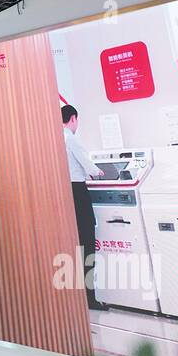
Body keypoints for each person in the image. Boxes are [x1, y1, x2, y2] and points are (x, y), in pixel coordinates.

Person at [62, 105, 105, 311]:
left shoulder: (55, 138)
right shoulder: (71, 138)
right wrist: (98, 172)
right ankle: (91, 298)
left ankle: (78, 296)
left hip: (64, 194)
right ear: (73, 118)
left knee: (74, 244)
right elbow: (89, 166)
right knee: (87, 243)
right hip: (78, 192)